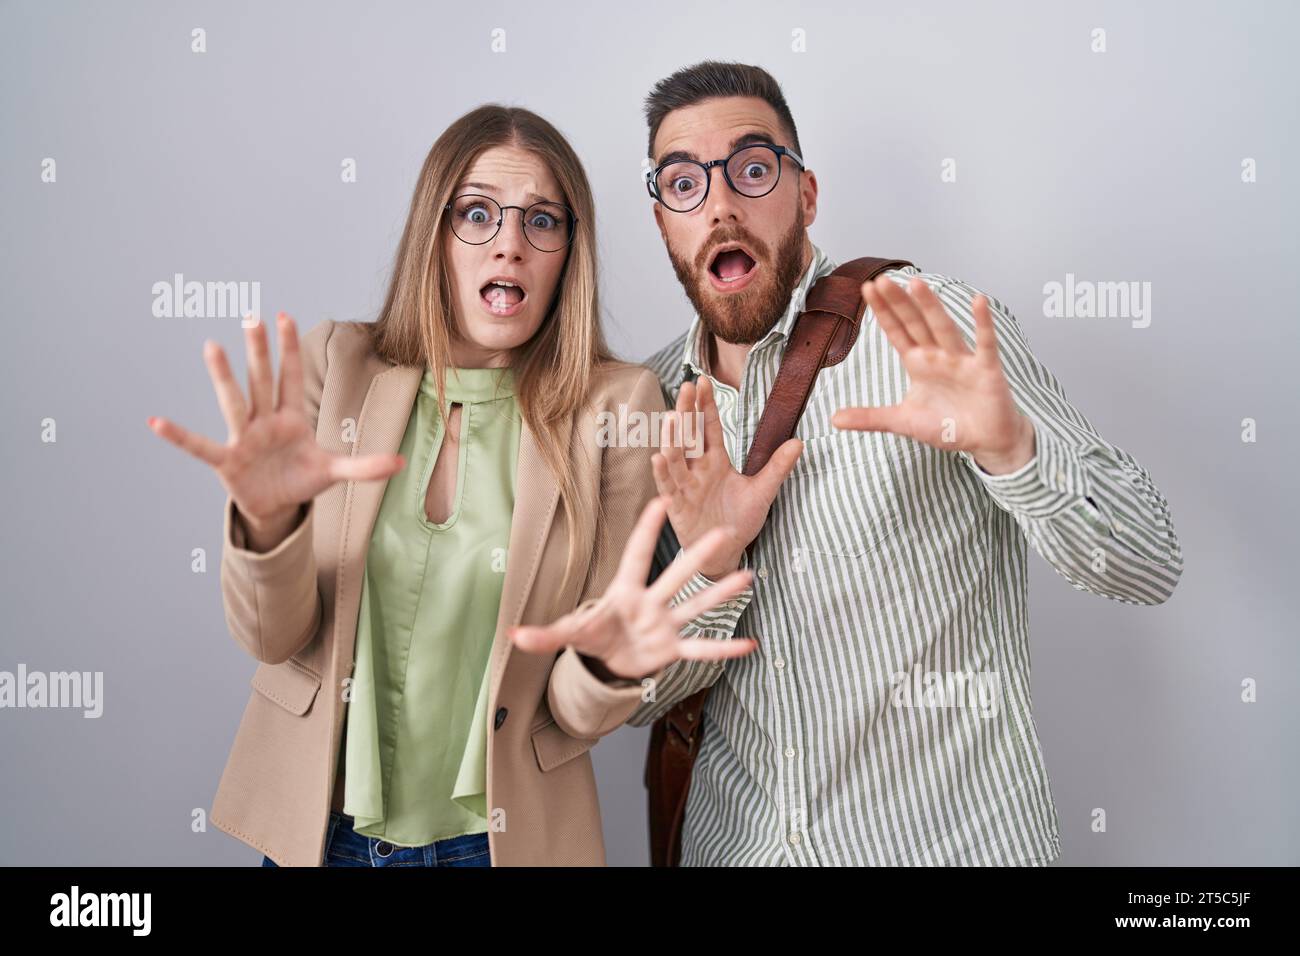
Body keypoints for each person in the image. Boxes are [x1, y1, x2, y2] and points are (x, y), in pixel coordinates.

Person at [147, 103, 755, 867]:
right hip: (318, 834)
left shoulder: (618, 406)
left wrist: (608, 665)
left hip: (497, 847)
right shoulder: (338, 365)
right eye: (477, 214)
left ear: (571, 249)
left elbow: (572, 713)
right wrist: (265, 528)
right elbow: (271, 639)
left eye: (542, 221)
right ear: (434, 237)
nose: (509, 245)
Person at [623, 61, 1184, 865]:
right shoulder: (650, 403)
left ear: (806, 196)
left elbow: (1148, 564)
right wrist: (710, 570)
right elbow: (635, 702)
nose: (720, 204)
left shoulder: (925, 325)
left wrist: (1011, 452)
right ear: (662, 222)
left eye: (751, 170)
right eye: (684, 183)